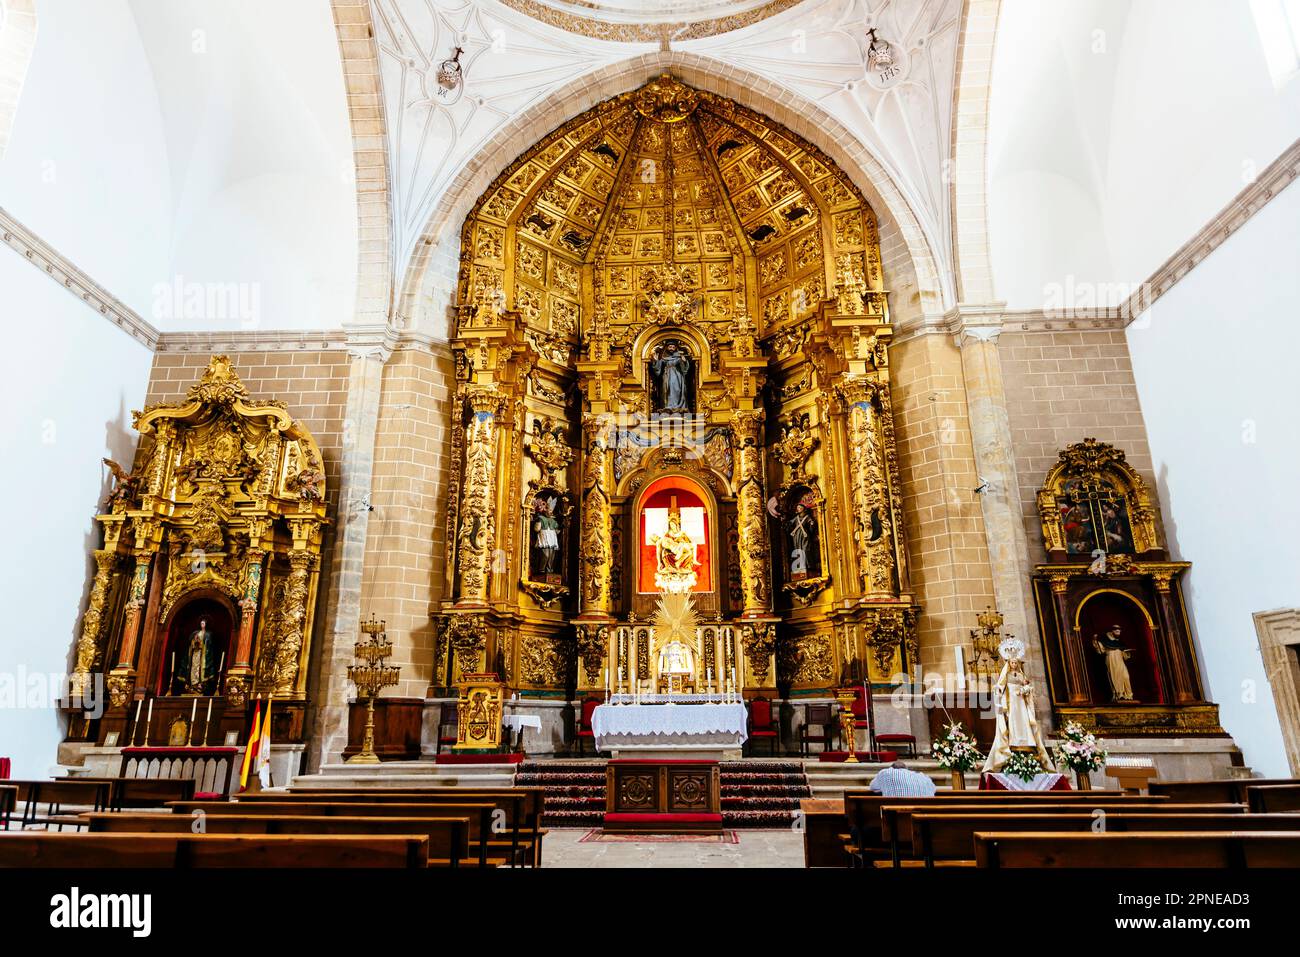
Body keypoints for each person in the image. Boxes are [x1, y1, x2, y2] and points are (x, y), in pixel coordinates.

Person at [869, 760, 937, 798]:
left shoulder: (886, 773)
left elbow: (872, 786)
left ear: (892, 768)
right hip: (926, 817)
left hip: (897, 817)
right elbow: (934, 789)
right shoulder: (924, 777)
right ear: (907, 769)